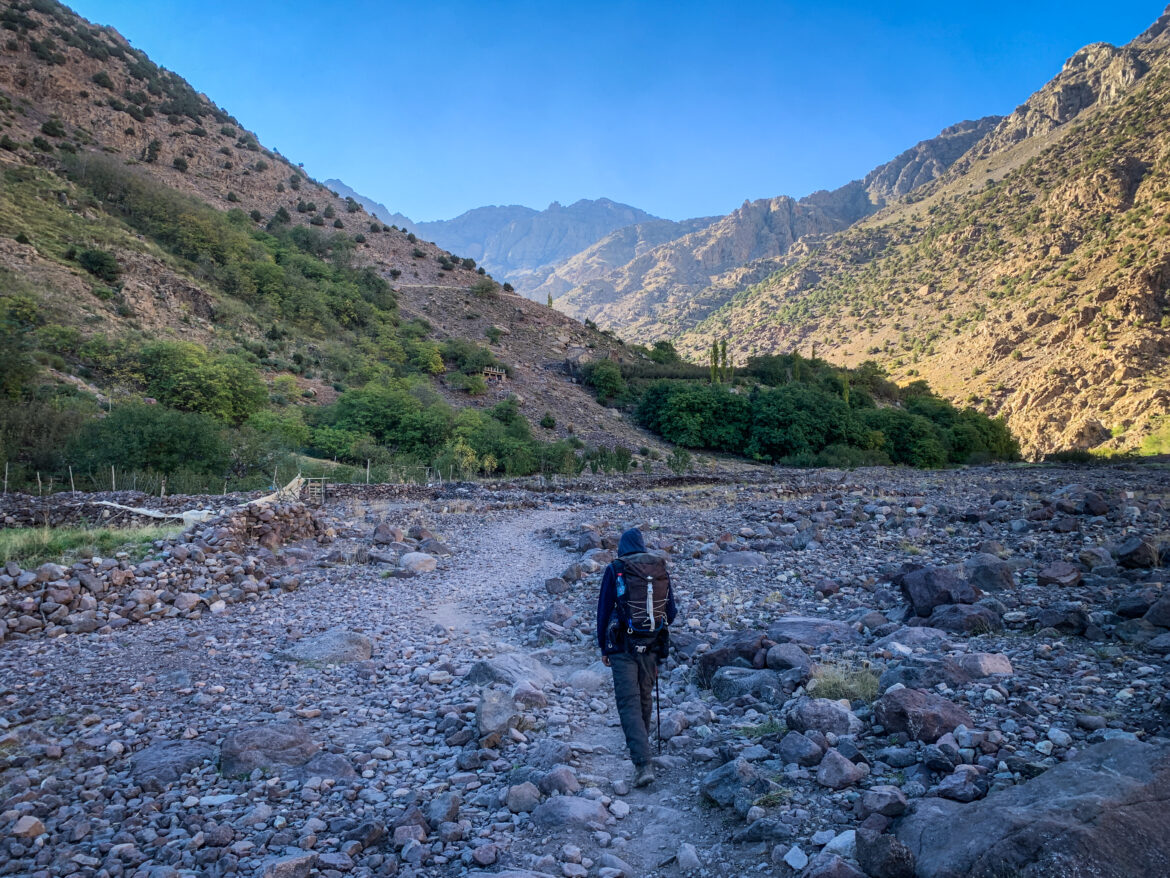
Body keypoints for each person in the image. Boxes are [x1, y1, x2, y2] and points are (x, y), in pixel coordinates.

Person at [596, 527, 677, 787]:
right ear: (641, 544)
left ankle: (642, 764)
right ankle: (642, 748)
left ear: (622, 546)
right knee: (644, 696)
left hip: (621, 644)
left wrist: (604, 647)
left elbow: (603, 610)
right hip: (652, 643)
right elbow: (671, 612)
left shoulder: (616, 569)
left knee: (628, 702)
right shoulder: (658, 566)